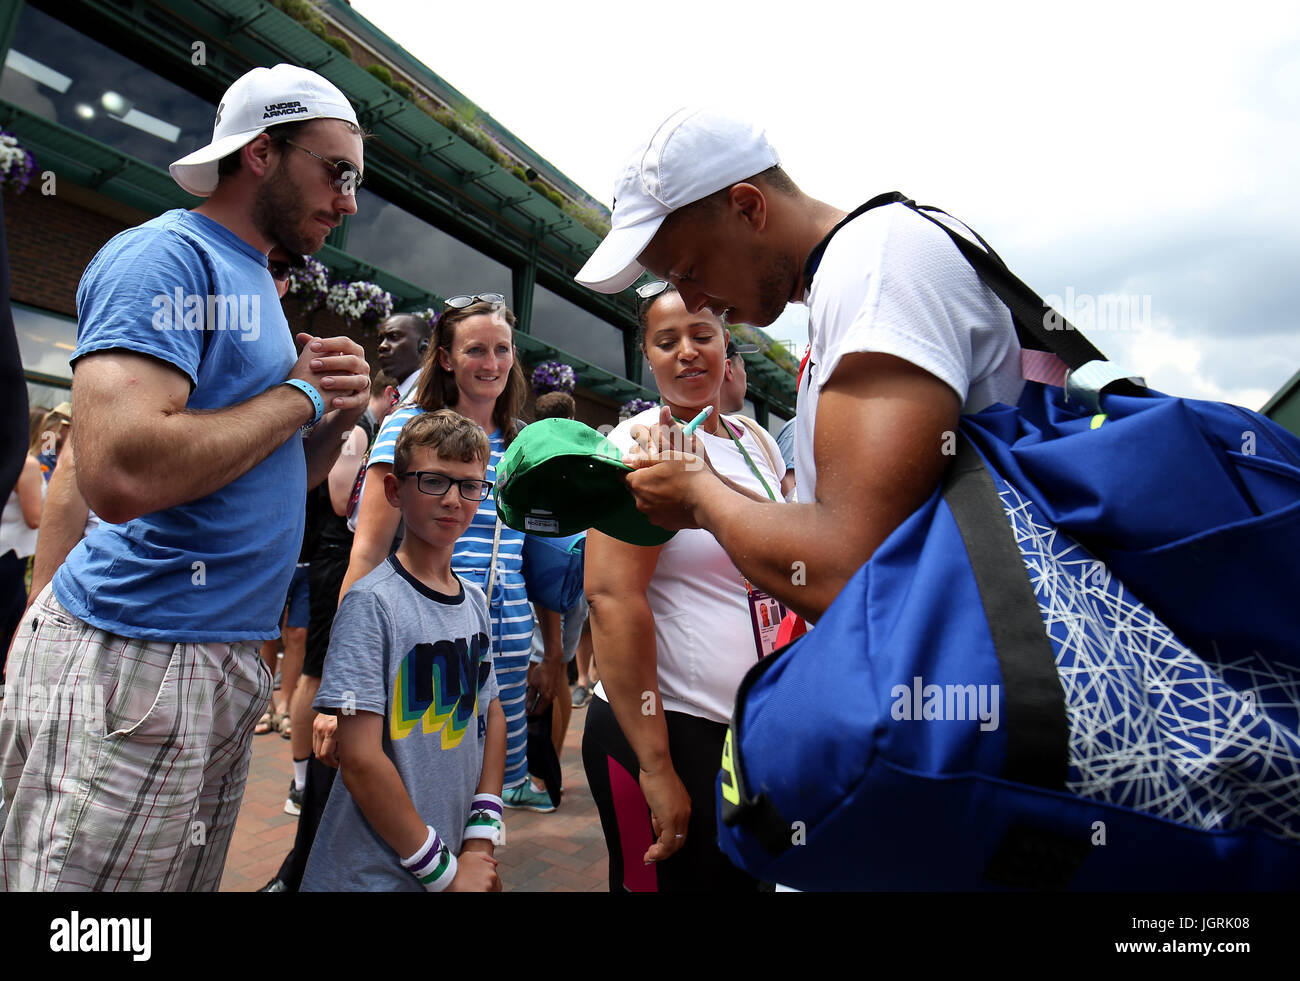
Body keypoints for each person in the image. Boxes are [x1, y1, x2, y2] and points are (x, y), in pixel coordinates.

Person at [0, 64, 371, 891]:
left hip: (212, 656)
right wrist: (298, 395)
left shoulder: (254, 281)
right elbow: (121, 470)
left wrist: (327, 420)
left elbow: (260, 473)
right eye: (337, 170)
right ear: (262, 152)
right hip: (142, 652)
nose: (349, 200)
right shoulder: (167, 255)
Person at [574, 107, 1021, 625]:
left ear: (747, 207)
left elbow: (848, 574)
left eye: (690, 271)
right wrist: (701, 483)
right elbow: (826, 530)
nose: (693, 300)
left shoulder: (873, 272)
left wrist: (699, 497)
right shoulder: (858, 270)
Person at [581, 283, 783, 892]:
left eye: (702, 335)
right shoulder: (636, 447)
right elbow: (612, 599)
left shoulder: (757, 443)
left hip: (748, 731)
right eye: (667, 341)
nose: (688, 352)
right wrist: (658, 766)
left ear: (727, 346)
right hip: (668, 727)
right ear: (648, 356)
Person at [335, 296, 563, 814]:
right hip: (427, 635)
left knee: (485, 789)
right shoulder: (408, 426)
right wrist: (345, 673)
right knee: (417, 781)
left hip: (505, 643)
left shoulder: (524, 444)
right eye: (476, 350)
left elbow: (535, 561)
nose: (491, 363)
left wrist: (549, 651)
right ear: (445, 358)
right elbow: (367, 552)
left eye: (502, 349)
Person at [300, 410, 505, 892]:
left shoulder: (474, 601)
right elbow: (360, 759)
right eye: (433, 481)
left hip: (450, 857)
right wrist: (446, 874)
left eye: (470, 486)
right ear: (394, 491)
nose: (454, 500)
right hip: (371, 874)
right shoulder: (371, 603)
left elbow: (491, 713)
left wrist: (480, 839)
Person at [376, 313, 431, 403]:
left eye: (394, 336)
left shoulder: (434, 396)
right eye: (380, 340)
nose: (382, 346)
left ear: (423, 345)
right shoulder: (395, 396)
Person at [718, 339, 757, 415]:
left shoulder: (691, 424)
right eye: (743, 367)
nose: (745, 375)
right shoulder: (747, 426)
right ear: (728, 369)